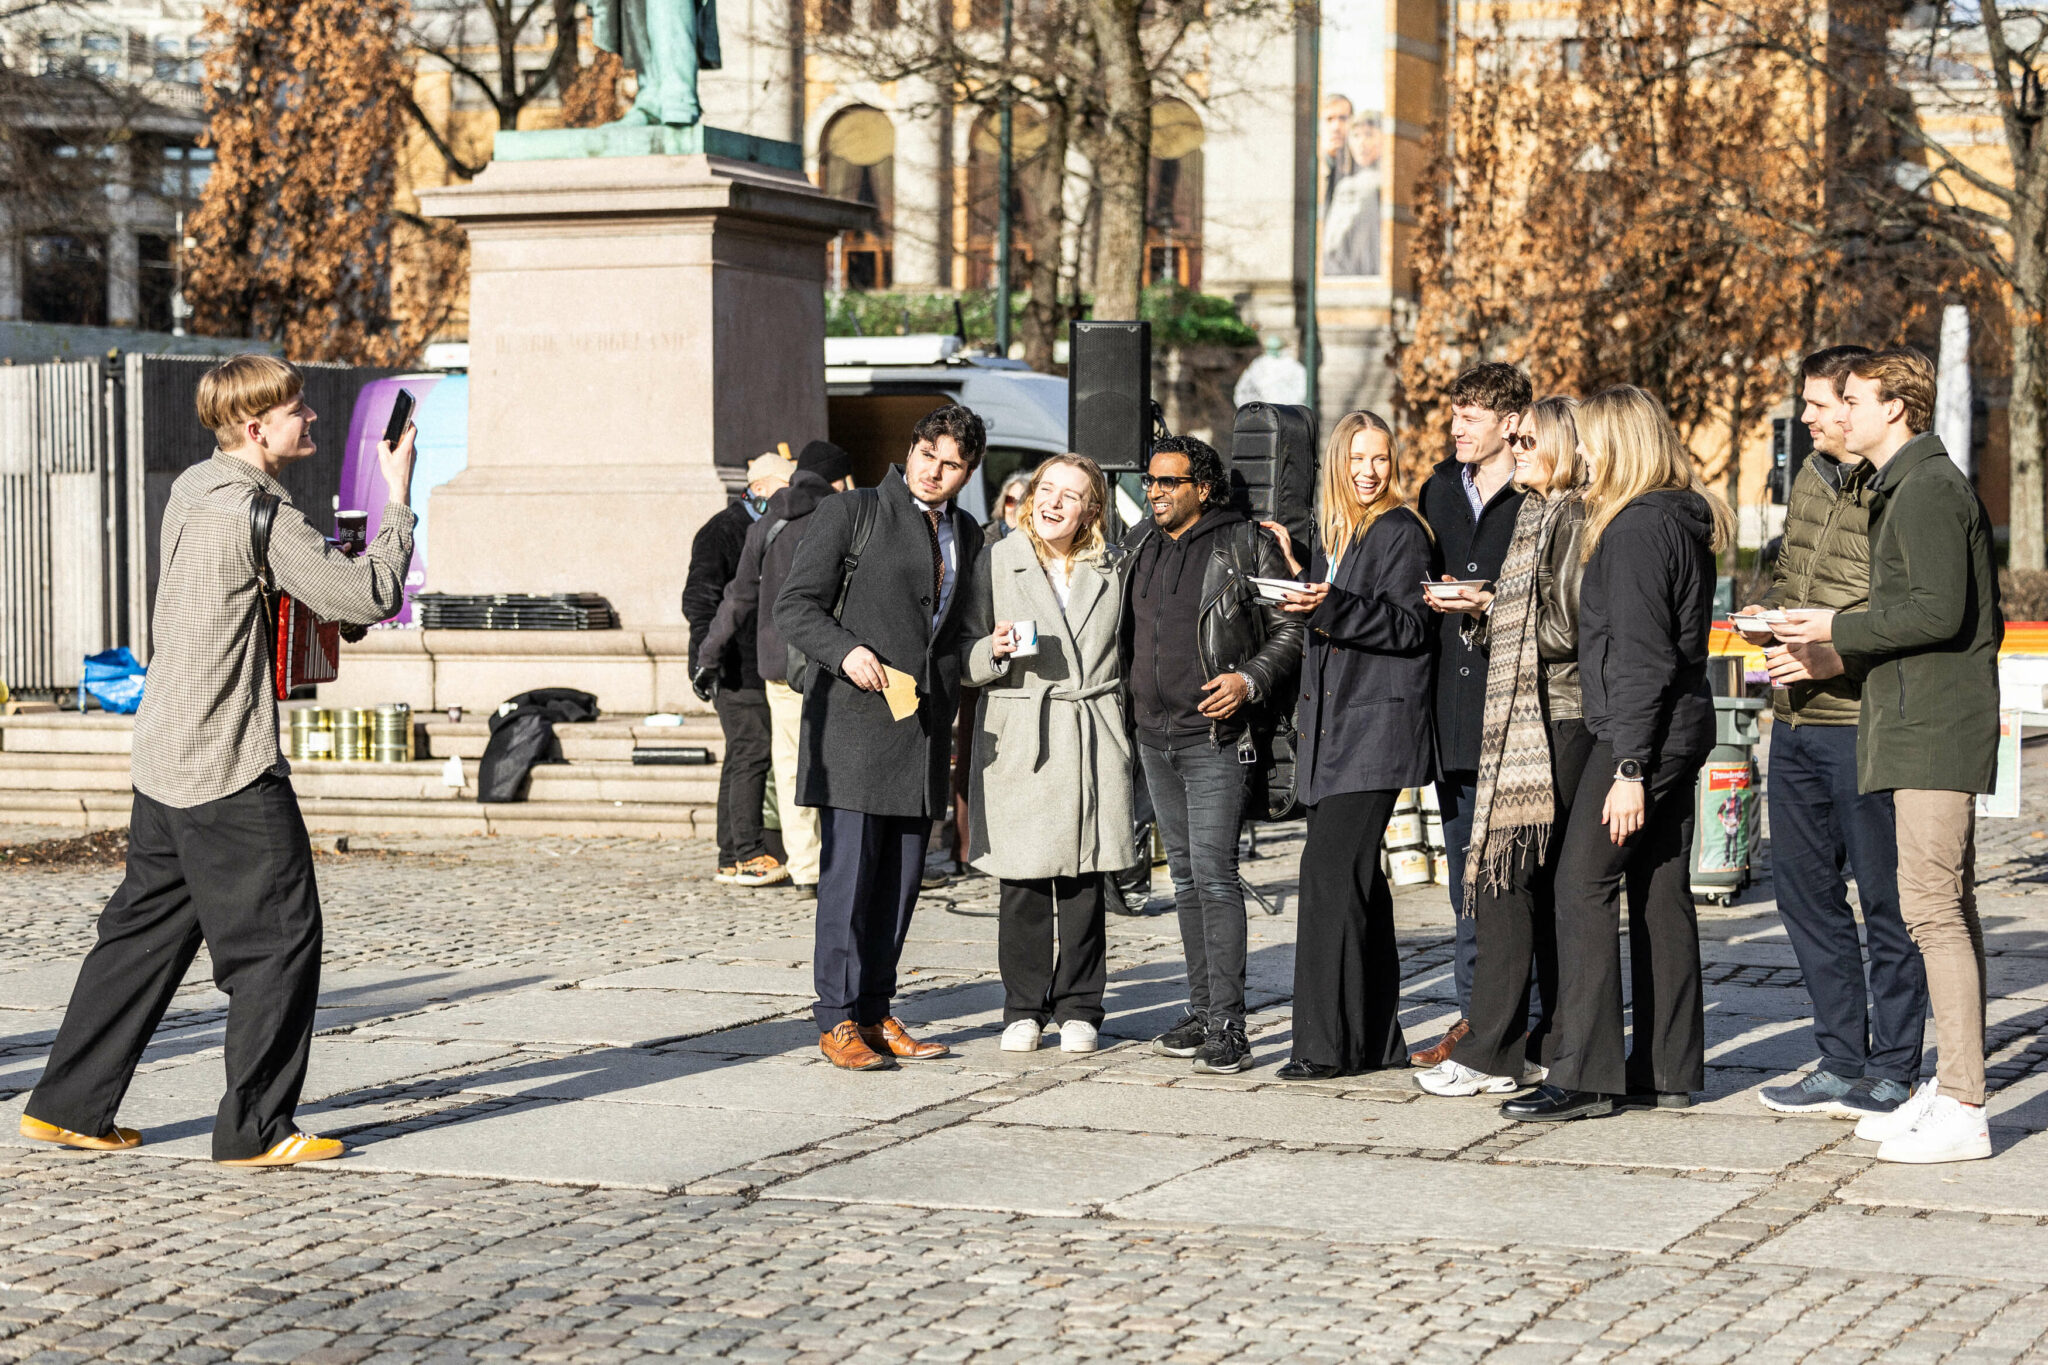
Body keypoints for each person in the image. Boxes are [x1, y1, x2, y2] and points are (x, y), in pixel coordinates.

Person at [22, 354, 416, 1166]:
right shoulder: (259, 516)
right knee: (278, 938)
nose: (310, 417)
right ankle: (258, 1128)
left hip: (163, 747)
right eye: (296, 408)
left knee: (141, 938)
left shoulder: (191, 492)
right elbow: (370, 594)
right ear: (256, 426)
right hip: (226, 760)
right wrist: (398, 495)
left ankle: (67, 1105)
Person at [1771, 347, 2002, 1165]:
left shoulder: (1928, 488)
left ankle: (1965, 1104)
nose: (1840, 411)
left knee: (1931, 912)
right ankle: (1954, 1083)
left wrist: (1833, 630)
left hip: (1934, 724)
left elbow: (1938, 610)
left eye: (1856, 398)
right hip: (1912, 719)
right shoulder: (1908, 486)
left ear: (1895, 407)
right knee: (1943, 910)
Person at [1503, 385, 1731, 1122]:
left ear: (1623, 445)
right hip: (1676, 722)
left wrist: (1629, 767)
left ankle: (1584, 1071)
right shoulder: (1674, 517)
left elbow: (1639, 657)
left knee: (1581, 883)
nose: (1586, 453)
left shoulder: (1634, 530)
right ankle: (1664, 1065)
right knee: (1660, 886)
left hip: (1641, 732)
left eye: (1595, 440)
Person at [1733, 346, 1926, 1123]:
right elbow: (1795, 582)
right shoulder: (1811, 480)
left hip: (1864, 723)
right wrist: (1769, 619)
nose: (1808, 417)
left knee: (1887, 901)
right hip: (1795, 720)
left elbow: (1912, 608)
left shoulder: (1901, 487)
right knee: (1804, 896)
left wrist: (1832, 645)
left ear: (1857, 403)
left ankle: (1895, 1065)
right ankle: (1840, 1055)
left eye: (1819, 404)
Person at [776, 405, 985, 1071]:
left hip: (922, 731)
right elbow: (794, 606)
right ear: (912, 449)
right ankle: (835, 1016)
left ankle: (874, 1007)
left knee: (899, 882)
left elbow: (954, 633)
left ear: (968, 472)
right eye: (929, 455)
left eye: (952, 464)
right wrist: (847, 652)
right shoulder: (854, 511)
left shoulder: (969, 532)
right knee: (848, 879)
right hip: (854, 727)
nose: (935, 471)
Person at [1413, 396, 1591, 1097]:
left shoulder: (1564, 514)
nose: (1515, 448)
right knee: (1491, 882)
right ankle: (1495, 1032)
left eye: (1525, 436)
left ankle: (1510, 1042)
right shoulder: (1520, 510)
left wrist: (1491, 608)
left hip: (1555, 717)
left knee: (1515, 884)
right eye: (1511, 437)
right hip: (1499, 719)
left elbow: (1566, 626)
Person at [1123, 436, 1304, 1075]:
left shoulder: (1242, 542)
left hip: (1217, 740)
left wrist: (1249, 680)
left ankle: (1230, 1026)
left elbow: (1292, 624)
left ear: (1202, 487)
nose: (1155, 491)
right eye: (1151, 481)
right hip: (1153, 737)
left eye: (1169, 482)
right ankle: (1201, 1011)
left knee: (1216, 874)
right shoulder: (1141, 546)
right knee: (1186, 880)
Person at [1263, 411, 1434, 1079]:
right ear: (1337, 462)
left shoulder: (1401, 530)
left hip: (1373, 732)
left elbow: (1409, 624)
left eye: (1381, 457)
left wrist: (1324, 602)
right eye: (1357, 457)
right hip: (1335, 734)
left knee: (1328, 876)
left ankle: (1324, 1047)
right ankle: (1373, 1040)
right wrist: (1301, 580)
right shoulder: (1344, 533)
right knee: (1358, 883)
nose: (1369, 469)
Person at [960, 454, 1132, 1055]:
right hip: (1023, 730)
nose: (1055, 503)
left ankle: (1082, 1005)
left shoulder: (1114, 566)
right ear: (1031, 497)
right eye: (1047, 490)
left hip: (1091, 727)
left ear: (1092, 509)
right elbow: (960, 649)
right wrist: (992, 650)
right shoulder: (995, 560)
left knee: (1086, 879)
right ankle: (1023, 1006)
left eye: (1072, 495)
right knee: (1024, 878)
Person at [1414, 362, 1533, 1067]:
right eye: (1454, 415)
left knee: (1515, 878)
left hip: (1516, 712)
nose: (1457, 428)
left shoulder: (1539, 491)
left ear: (1511, 422)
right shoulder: (1436, 489)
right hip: (1453, 713)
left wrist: (1490, 603)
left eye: (1472, 417)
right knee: (1465, 878)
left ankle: (1525, 1020)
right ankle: (1471, 1015)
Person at [699, 440, 853, 895]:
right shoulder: (848, 516)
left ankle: (806, 869)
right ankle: (844, 862)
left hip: (782, 665)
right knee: (842, 765)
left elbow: (738, 598)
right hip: (840, 660)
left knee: (789, 766)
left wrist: (707, 655)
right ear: (836, 478)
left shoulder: (768, 523)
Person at [688, 449, 795, 887]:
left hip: (751, 660)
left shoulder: (766, 525)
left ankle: (732, 853)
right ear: (759, 489)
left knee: (744, 754)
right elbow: (700, 600)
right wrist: (707, 659)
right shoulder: (723, 531)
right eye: (784, 489)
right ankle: (746, 852)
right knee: (751, 751)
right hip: (734, 664)